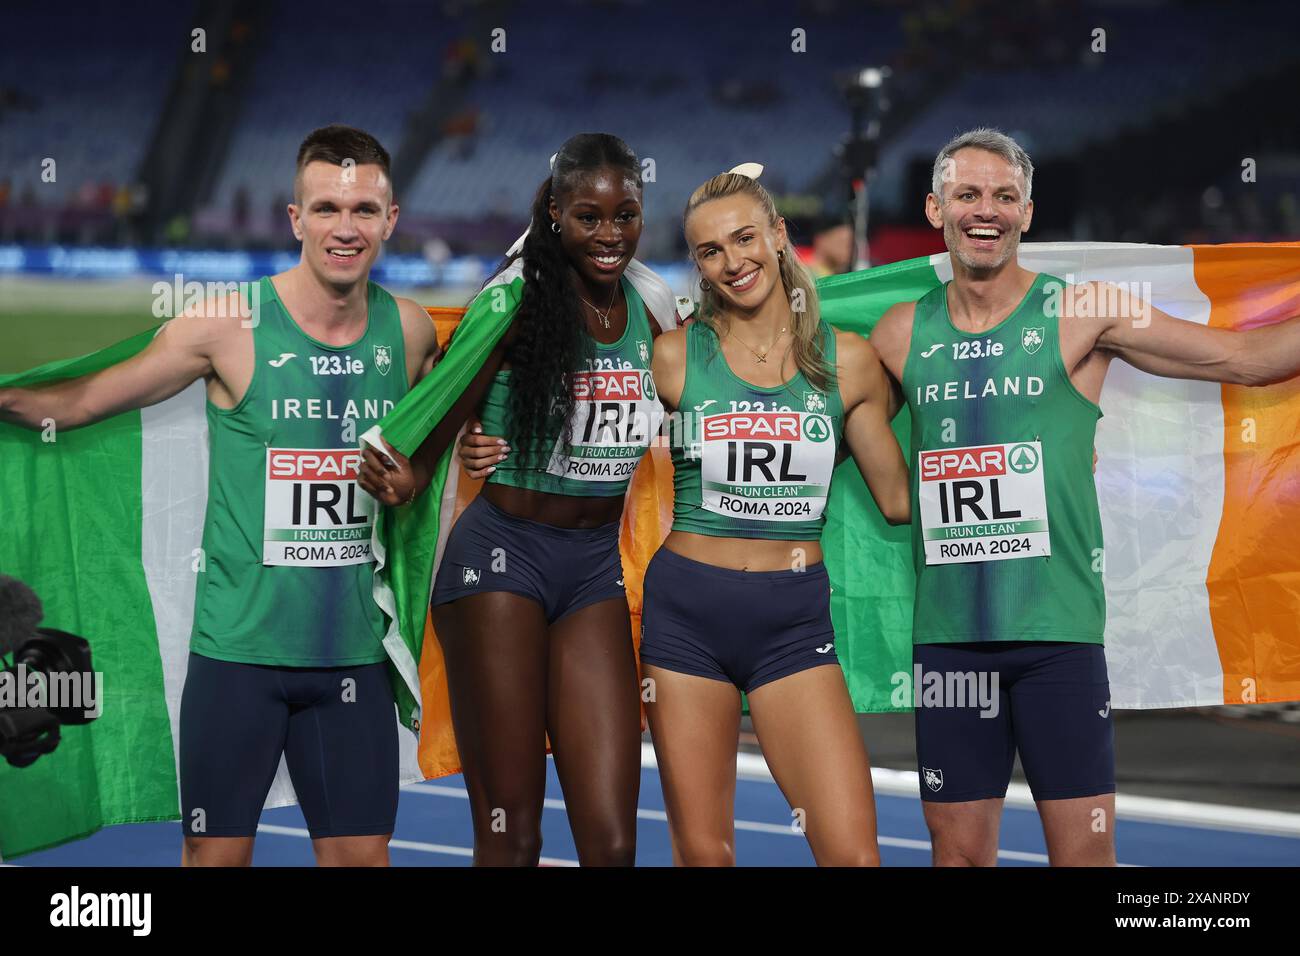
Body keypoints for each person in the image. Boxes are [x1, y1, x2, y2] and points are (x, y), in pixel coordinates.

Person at [0, 125, 442, 866]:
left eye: (364, 209)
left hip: (349, 660)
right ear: (295, 218)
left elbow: (424, 458)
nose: (346, 227)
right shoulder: (224, 326)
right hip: (238, 659)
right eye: (326, 208)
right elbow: (78, 406)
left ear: (391, 220)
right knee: (214, 861)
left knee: (363, 861)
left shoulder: (410, 332)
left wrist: (420, 475)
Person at [868, 127, 1300, 866]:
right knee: (958, 856)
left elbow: (1245, 358)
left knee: (1084, 859)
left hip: (1056, 643)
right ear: (936, 208)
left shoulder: (1083, 311)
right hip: (947, 643)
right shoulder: (898, 332)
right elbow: (882, 478)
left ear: (1028, 213)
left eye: (1004, 196)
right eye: (968, 194)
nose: (986, 210)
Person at [360, 133, 677, 866]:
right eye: (589, 217)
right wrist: (410, 472)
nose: (609, 235)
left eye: (625, 215)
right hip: (502, 561)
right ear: (556, 214)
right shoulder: (515, 299)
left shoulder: (655, 306)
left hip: (593, 568)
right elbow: (443, 407)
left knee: (613, 841)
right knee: (512, 836)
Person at [634, 166, 908, 865]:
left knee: (853, 855)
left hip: (792, 628)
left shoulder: (848, 363)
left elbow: (901, 500)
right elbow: (588, 460)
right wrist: (490, 444)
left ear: (780, 236)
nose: (733, 261)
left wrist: (1038, 465)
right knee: (707, 855)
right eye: (710, 251)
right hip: (686, 620)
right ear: (696, 263)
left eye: (745, 238)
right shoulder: (670, 358)